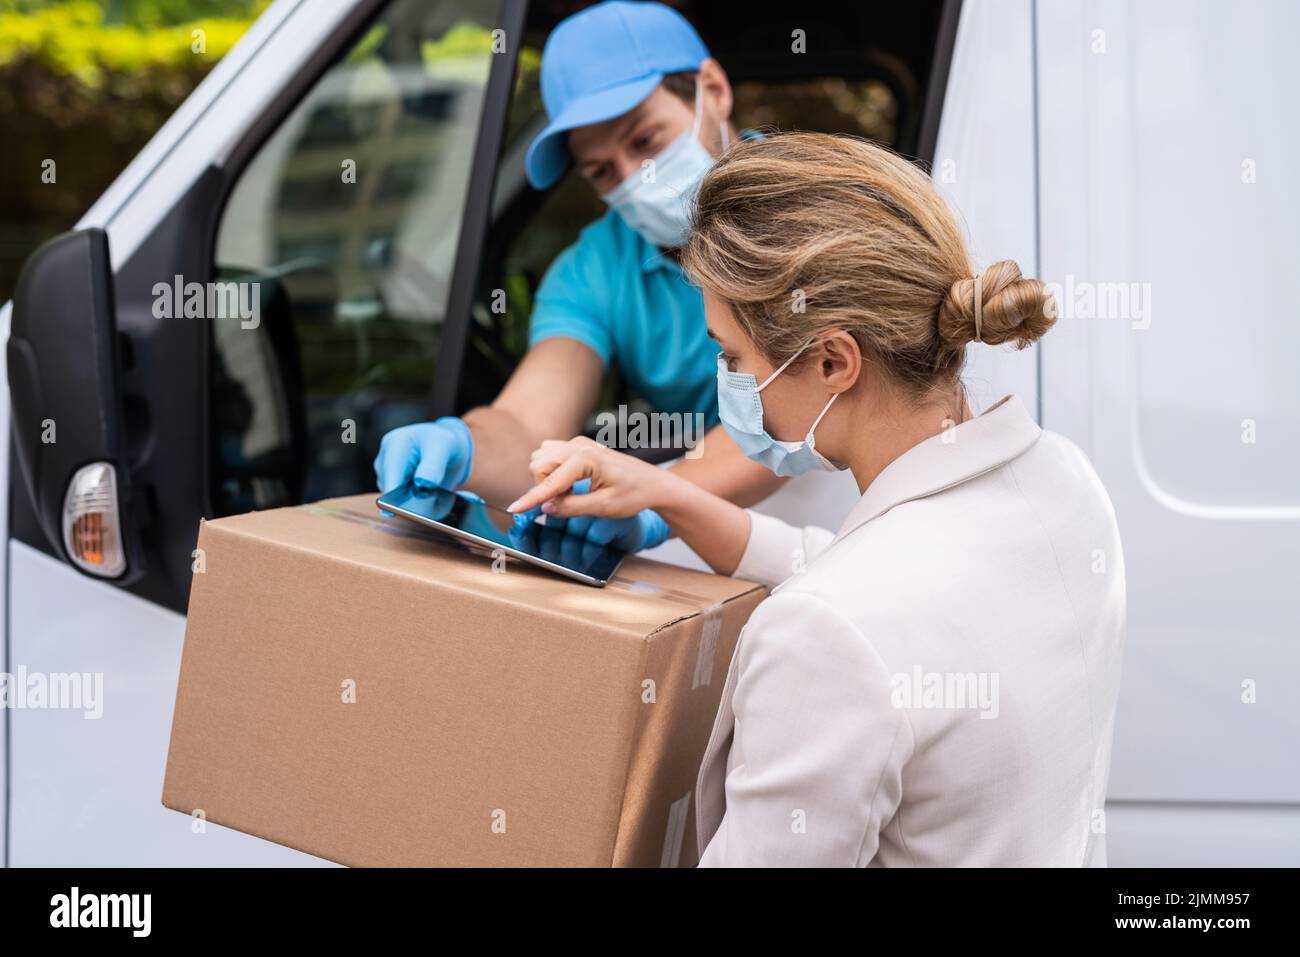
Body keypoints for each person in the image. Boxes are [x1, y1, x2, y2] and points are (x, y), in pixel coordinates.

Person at [508, 132, 1128, 867]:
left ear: (834, 360)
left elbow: (852, 616)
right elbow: (871, 582)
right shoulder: (1066, 482)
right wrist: (667, 495)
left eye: (732, 355)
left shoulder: (828, 633)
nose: (725, 377)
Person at [373, 1, 781, 552]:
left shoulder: (812, 208)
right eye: (601, 171)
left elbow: (792, 410)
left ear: (713, 89)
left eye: (645, 141)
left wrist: (661, 499)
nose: (635, 180)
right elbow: (526, 424)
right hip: (706, 514)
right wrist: (462, 448)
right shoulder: (595, 269)